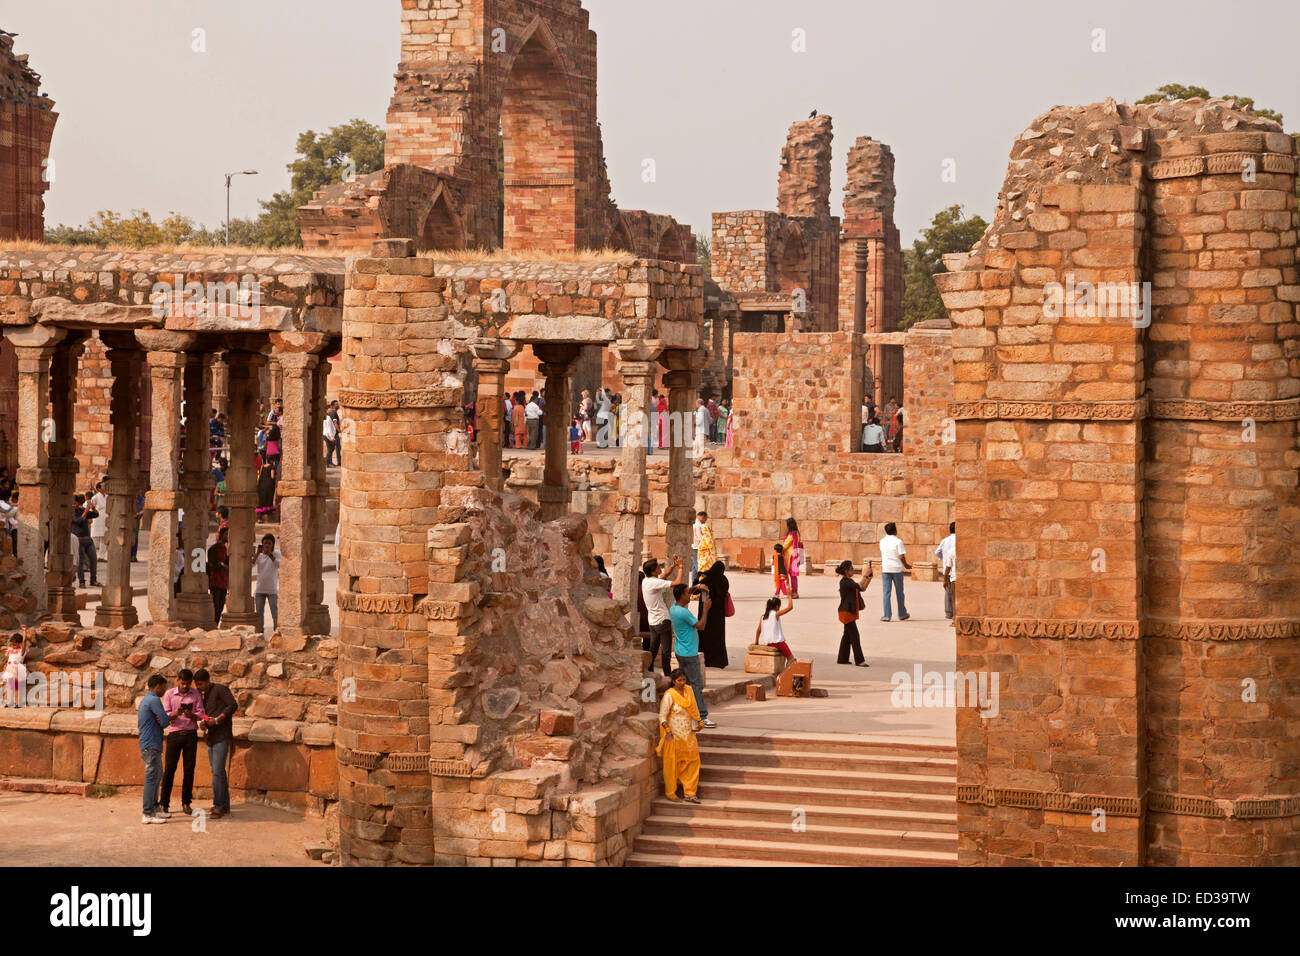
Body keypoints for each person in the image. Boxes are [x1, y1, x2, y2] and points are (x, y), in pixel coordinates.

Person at [160, 668, 206, 816]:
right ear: (178, 681)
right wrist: (176, 713)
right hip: (174, 735)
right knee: (169, 770)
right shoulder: (169, 694)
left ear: (190, 682)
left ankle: (186, 803)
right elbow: (165, 715)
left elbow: (202, 714)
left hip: (190, 735)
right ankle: (164, 803)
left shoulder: (196, 694)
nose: (185, 686)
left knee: (189, 770)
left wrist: (191, 715)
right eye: (183, 683)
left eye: (187, 683)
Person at [670, 582, 716, 728]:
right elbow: (701, 625)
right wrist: (706, 610)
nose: (690, 595)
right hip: (689, 653)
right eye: (687, 593)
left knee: (687, 684)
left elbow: (682, 592)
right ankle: (702, 716)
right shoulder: (684, 612)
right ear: (682, 595)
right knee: (696, 685)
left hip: (680, 651)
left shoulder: (673, 607)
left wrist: (695, 587)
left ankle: (688, 713)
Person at [194, 668, 237, 819]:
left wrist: (217, 720)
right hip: (211, 736)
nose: (198, 687)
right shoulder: (204, 696)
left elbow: (233, 705)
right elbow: (207, 714)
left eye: (201, 684)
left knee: (217, 772)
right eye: (197, 685)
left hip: (222, 736)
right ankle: (224, 806)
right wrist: (204, 723)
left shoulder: (220, 689)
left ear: (207, 680)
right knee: (217, 772)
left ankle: (218, 806)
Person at [657, 668, 703, 803]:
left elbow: (694, 710)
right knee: (672, 764)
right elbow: (662, 716)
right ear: (673, 681)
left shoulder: (689, 690)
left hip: (689, 735)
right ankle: (671, 793)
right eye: (679, 680)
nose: (682, 683)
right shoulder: (669, 695)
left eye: (684, 680)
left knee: (693, 762)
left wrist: (699, 723)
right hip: (674, 736)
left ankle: (690, 793)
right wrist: (668, 732)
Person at [641, 556, 683, 676]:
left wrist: (674, 565)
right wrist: (680, 567)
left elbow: (664, 575)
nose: (661, 568)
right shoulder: (654, 582)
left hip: (653, 622)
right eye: (658, 567)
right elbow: (677, 583)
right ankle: (668, 678)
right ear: (653, 571)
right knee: (666, 653)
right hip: (662, 621)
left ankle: (649, 674)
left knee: (653, 651)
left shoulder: (646, 581)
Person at [137, 674, 170, 824]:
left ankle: (155, 807)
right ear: (157, 686)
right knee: (151, 779)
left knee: (157, 776)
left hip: (151, 744)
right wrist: (163, 719)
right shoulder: (154, 700)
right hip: (151, 744)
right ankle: (147, 813)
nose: (164, 690)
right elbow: (164, 721)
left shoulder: (147, 699)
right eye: (163, 687)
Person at [836, 560, 874, 666]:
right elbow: (859, 585)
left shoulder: (849, 581)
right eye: (851, 569)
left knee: (847, 636)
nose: (853, 570)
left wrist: (868, 578)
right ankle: (860, 661)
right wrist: (865, 575)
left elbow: (862, 588)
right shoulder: (845, 581)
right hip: (846, 612)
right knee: (854, 636)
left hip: (848, 611)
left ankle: (842, 659)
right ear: (846, 571)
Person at [696, 560, 730, 669]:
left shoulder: (707, 580)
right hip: (719, 613)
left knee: (705, 635)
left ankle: (706, 660)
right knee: (718, 637)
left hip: (706, 612)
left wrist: (697, 579)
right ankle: (719, 661)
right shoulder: (724, 581)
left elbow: (695, 592)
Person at [879, 522, 912, 622]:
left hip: (886, 569)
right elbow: (901, 556)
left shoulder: (882, 541)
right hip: (896, 569)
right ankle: (902, 614)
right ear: (895, 531)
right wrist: (906, 565)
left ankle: (886, 615)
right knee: (899, 592)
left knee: (886, 593)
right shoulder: (898, 542)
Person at [255, 534, 281, 634]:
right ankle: (260, 632)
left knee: (275, 613)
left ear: (273, 545)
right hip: (260, 589)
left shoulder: (276, 554)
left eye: (269, 543)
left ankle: (276, 632)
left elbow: (279, 564)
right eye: (265, 543)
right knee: (259, 613)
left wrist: (270, 554)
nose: (267, 545)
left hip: (272, 590)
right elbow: (251, 564)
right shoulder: (260, 556)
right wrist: (257, 553)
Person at [756, 594, 795, 659]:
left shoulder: (763, 617)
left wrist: (756, 642)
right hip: (779, 643)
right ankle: (787, 668)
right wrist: (789, 595)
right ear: (777, 607)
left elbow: (758, 630)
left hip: (769, 643)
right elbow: (790, 607)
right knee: (791, 658)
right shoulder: (776, 614)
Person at [72, 493, 98, 588]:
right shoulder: (71, 513)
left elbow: (96, 515)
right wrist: (86, 511)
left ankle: (93, 580)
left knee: (94, 560)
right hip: (79, 541)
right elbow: (79, 521)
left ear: (78, 503)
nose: (74, 505)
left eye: (75, 503)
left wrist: (93, 507)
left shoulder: (82, 510)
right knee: (80, 562)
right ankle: (81, 581)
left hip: (88, 540)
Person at [208, 527, 229, 627]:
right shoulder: (214, 548)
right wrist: (221, 565)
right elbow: (212, 565)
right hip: (215, 581)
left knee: (220, 606)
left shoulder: (226, 549)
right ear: (221, 535)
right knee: (215, 606)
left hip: (224, 582)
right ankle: (213, 625)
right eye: (226, 534)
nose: (228, 536)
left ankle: (215, 625)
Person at [935, 522, 956, 622]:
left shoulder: (945, 540)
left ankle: (949, 612)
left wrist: (944, 559)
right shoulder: (960, 540)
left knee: (948, 592)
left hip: (947, 569)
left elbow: (937, 552)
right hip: (956, 569)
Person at [3, 632, 28, 707]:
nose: (13, 646)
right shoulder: (10, 650)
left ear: (19, 644)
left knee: (16, 687)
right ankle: (9, 701)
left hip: (17, 671)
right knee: (10, 687)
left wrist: (24, 631)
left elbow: (24, 641)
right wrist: (5, 665)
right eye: (12, 644)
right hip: (10, 670)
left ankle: (17, 703)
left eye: (15, 644)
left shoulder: (21, 651)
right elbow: (9, 659)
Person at [782, 517, 803, 599]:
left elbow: (786, 545)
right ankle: (794, 591)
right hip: (795, 556)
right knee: (793, 576)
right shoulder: (797, 533)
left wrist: (779, 550)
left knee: (791, 575)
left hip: (791, 557)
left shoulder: (792, 534)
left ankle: (793, 592)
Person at [695, 511, 717, 582]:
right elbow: (699, 537)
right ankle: (699, 581)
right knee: (699, 568)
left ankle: (695, 582)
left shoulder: (698, 524)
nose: (706, 520)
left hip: (697, 547)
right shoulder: (700, 525)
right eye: (706, 518)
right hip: (697, 547)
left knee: (695, 568)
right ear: (702, 517)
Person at [90, 480, 108, 562]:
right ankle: (92, 555)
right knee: (95, 539)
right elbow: (91, 508)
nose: (105, 487)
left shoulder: (107, 496)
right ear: (99, 488)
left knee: (104, 538)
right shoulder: (95, 497)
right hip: (97, 519)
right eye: (103, 486)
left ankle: (101, 556)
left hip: (105, 519)